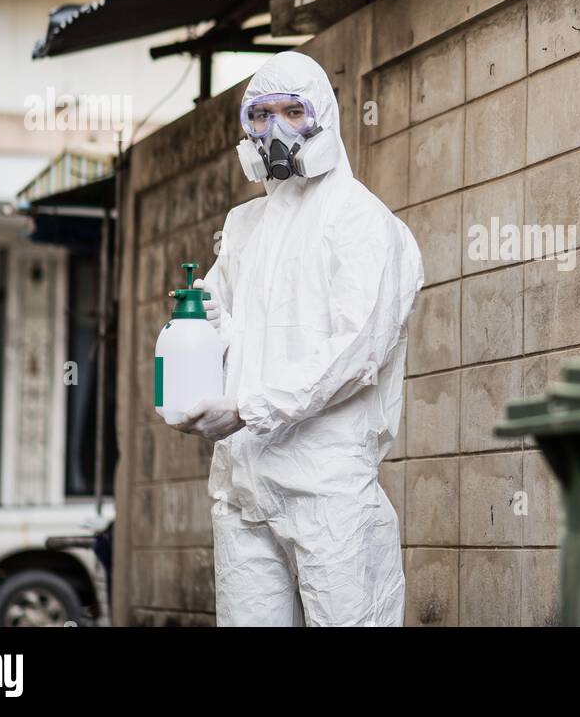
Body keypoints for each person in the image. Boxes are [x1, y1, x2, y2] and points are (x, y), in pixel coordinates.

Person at [171, 51, 423, 626]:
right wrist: (205, 322)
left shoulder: (361, 221)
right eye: (259, 115)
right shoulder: (244, 227)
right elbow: (230, 338)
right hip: (243, 491)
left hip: (327, 492)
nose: (274, 129)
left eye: (292, 112)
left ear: (323, 119)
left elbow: (354, 352)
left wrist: (247, 407)